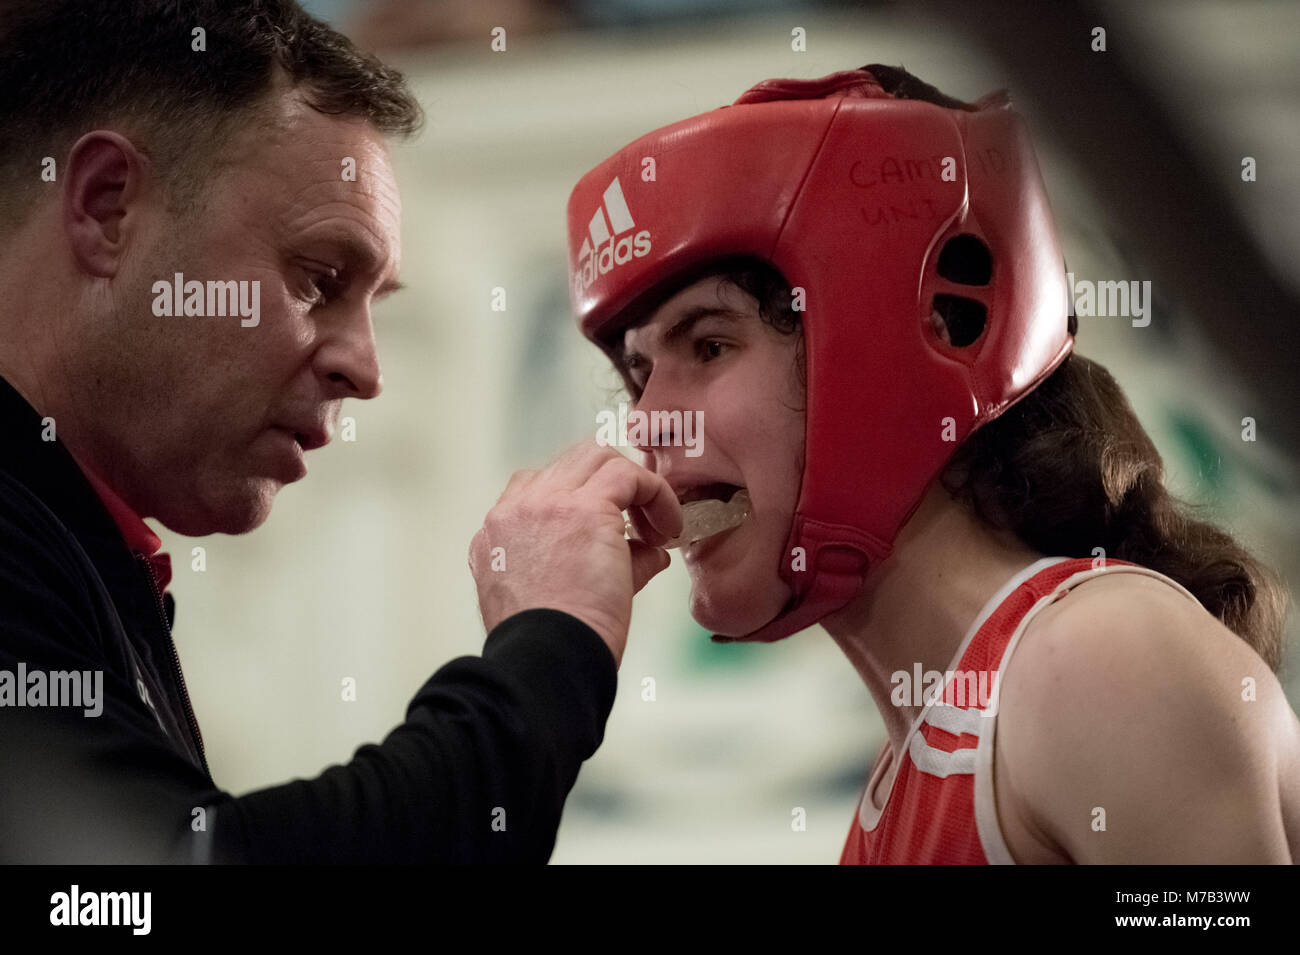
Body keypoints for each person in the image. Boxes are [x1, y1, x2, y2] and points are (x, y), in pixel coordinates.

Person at [0, 0, 680, 863]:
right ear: (106, 207)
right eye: (319, 278)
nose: (367, 368)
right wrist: (553, 641)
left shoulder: (71, 541)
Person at [566, 64, 1300, 863]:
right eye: (637, 375)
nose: (647, 420)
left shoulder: (1096, 654)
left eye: (709, 344)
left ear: (899, 345)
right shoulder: (918, 760)